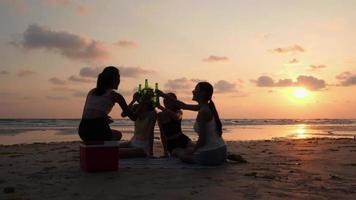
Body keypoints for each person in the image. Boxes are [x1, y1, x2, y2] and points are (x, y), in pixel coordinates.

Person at [158, 82, 227, 165]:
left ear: (202, 93)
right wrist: (163, 95)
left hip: (211, 153)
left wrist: (193, 151)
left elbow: (202, 140)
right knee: (186, 150)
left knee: (181, 154)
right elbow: (184, 105)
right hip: (221, 150)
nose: (193, 91)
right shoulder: (205, 107)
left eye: (195, 89)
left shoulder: (203, 112)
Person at [78, 66, 138, 141]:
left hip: (83, 131)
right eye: (118, 78)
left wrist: (103, 119)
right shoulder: (115, 96)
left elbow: (88, 114)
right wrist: (135, 101)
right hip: (97, 131)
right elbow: (133, 117)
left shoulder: (92, 92)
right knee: (118, 135)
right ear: (112, 80)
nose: (119, 81)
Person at [119, 91, 157, 158]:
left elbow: (151, 132)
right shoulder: (136, 108)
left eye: (146, 98)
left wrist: (151, 152)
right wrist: (133, 101)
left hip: (143, 146)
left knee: (117, 152)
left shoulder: (152, 113)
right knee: (112, 147)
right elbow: (123, 114)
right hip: (133, 141)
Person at [156, 93, 192, 157]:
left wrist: (161, 107)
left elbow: (176, 117)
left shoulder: (178, 111)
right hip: (171, 143)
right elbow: (162, 133)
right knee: (182, 154)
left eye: (168, 99)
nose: (166, 100)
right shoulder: (160, 115)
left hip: (182, 139)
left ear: (174, 102)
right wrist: (165, 151)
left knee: (197, 148)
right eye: (165, 99)